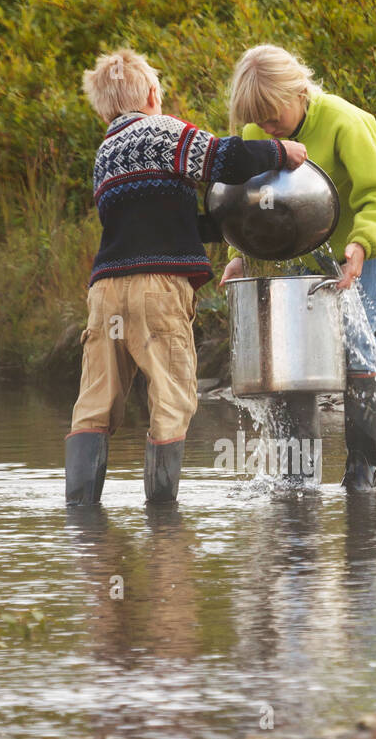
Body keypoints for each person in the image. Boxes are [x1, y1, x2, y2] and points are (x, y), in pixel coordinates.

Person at [66, 47, 306, 505]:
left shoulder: (105, 154)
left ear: (103, 107)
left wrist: (221, 230)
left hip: (105, 291)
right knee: (172, 398)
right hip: (159, 289)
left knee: (96, 401)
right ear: (153, 93)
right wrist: (279, 151)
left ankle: (81, 517)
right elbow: (224, 158)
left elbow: (160, 223)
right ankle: (162, 521)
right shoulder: (165, 132)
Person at [221, 45, 376, 490]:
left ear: (298, 90)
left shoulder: (346, 121)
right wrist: (238, 258)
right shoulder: (255, 134)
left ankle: (363, 476)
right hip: (300, 252)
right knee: (289, 359)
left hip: (366, 247)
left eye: (273, 118)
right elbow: (247, 210)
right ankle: (297, 479)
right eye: (258, 120)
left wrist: (361, 246)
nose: (266, 128)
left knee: (353, 349)